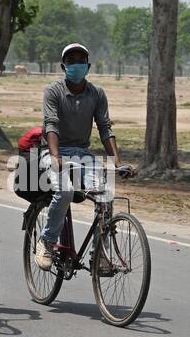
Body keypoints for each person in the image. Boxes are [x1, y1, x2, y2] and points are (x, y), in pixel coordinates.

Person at [35, 43, 134, 271]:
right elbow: (51, 124)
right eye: (72, 61)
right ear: (63, 66)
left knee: (105, 195)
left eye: (81, 61)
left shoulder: (97, 94)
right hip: (53, 152)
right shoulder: (53, 91)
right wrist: (56, 156)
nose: (76, 65)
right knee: (66, 191)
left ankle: (99, 253)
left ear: (88, 67)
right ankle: (47, 241)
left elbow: (105, 127)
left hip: (83, 154)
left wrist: (117, 162)